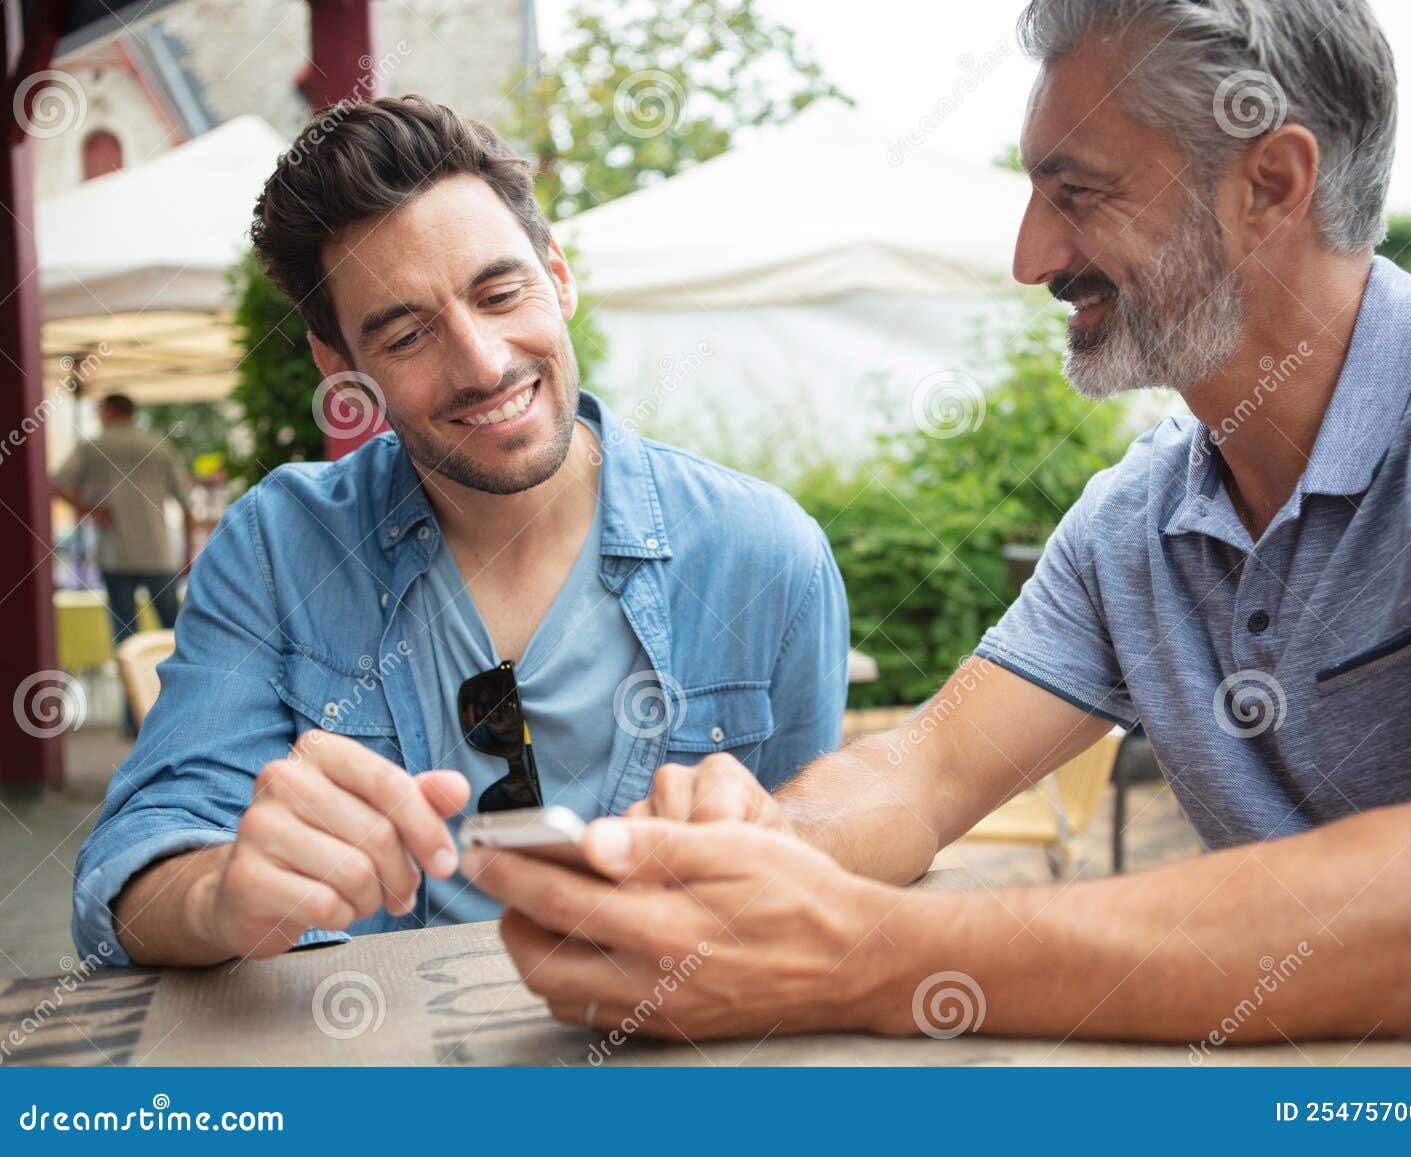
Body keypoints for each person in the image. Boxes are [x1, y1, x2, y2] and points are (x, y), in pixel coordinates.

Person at [463, 0, 1411, 1066]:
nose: (1030, 258)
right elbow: (920, 773)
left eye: (1080, 192)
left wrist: (858, 955)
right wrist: (749, 847)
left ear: (1270, 180)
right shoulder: (1138, 517)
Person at [70, 97, 849, 967]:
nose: (483, 364)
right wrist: (218, 894)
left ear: (558, 274)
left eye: (500, 292)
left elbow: (804, 887)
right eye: (407, 335)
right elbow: (130, 872)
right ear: (341, 365)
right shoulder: (278, 549)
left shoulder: (767, 553)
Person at [52, 393, 195, 734]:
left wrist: (90, 510)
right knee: (175, 636)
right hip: (158, 552)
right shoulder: (158, 445)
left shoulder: (92, 446)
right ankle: (184, 711)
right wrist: (189, 552)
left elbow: (57, 482)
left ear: (109, 411)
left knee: (126, 638)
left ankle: (135, 719)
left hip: (114, 554)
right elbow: (187, 503)